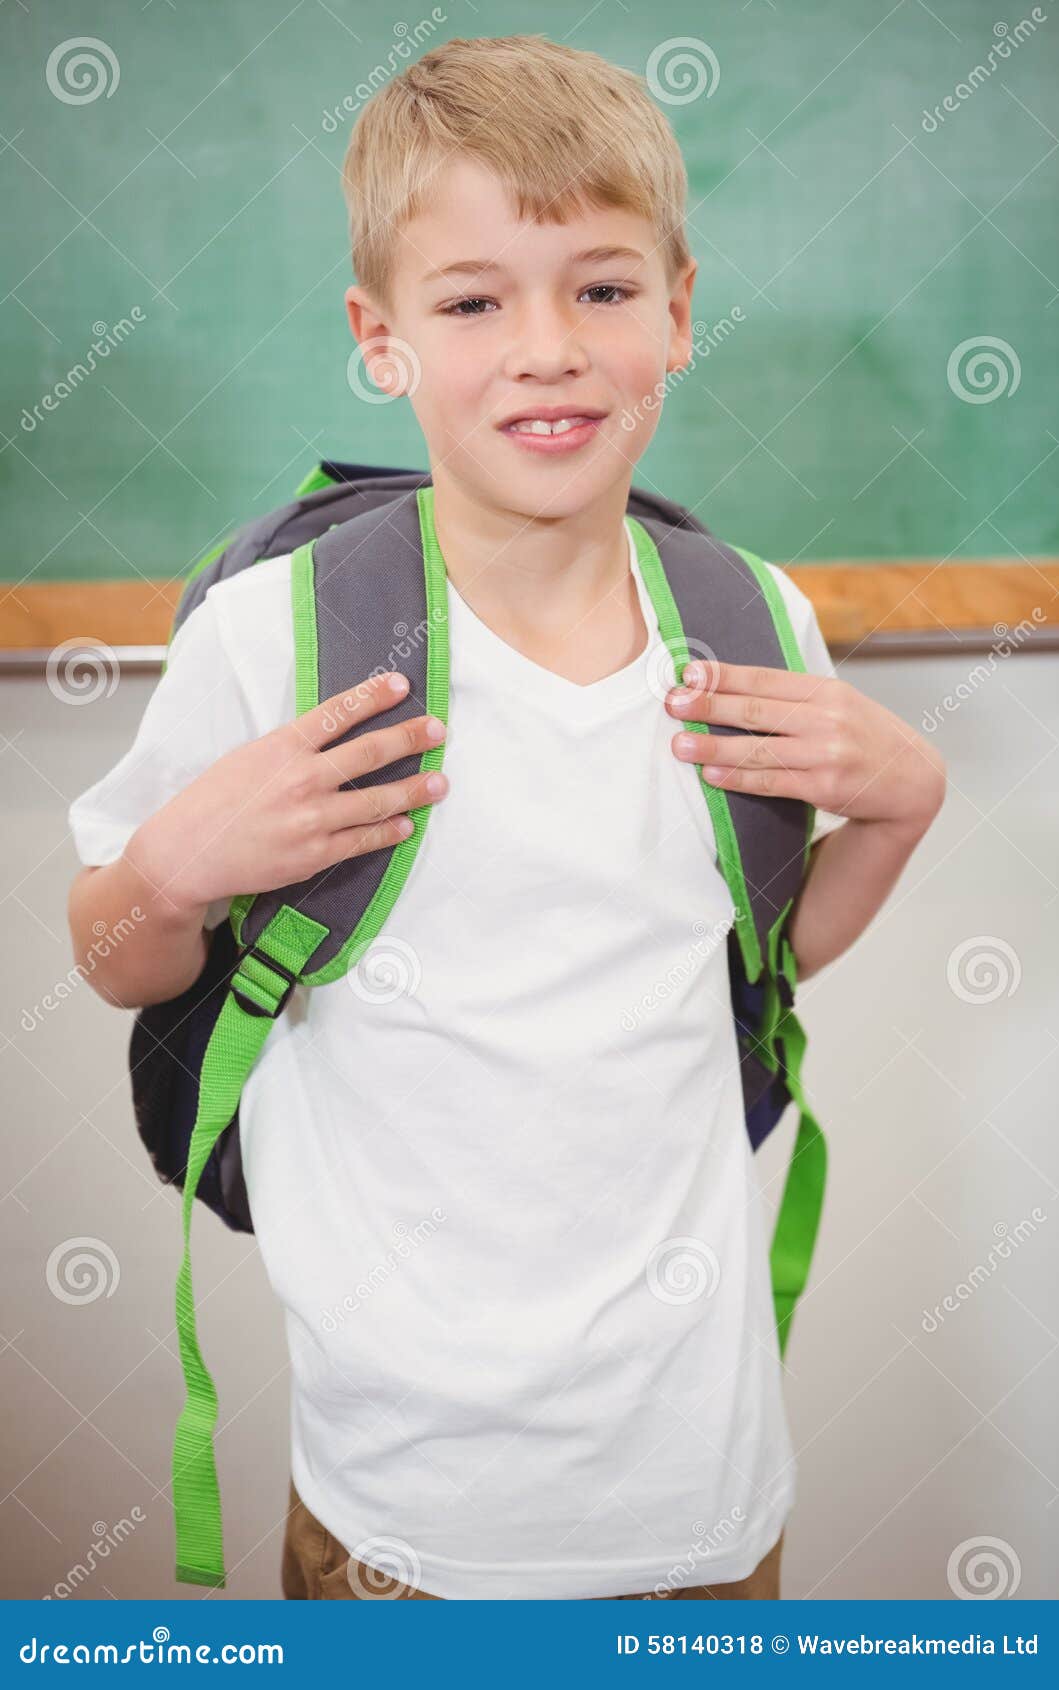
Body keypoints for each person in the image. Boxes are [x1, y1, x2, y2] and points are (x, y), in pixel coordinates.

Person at [66, 34, 946, 1601]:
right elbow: (117, 953)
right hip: (399, 1529)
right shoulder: (272, 642)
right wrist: (171, 870)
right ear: (381, 337)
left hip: (712, 1510)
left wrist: (899, 813)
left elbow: (761, 948)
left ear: (679, 313)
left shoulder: (756, 622)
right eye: (473, 300)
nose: (546, 346)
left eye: (603, 289)